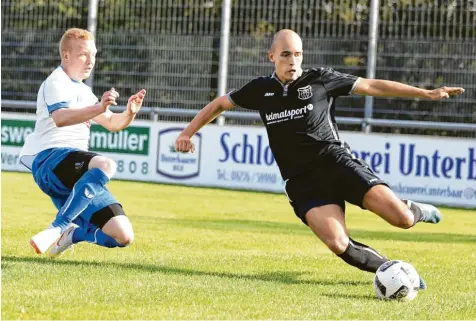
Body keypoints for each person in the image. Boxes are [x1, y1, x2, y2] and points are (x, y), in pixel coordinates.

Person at [175, 29, 465, 285]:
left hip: (336, 163)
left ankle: (416, 209)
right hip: (303, 183)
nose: (293, 60)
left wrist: (426, 93)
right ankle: (397, 273)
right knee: (339, 244)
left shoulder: (321, 80)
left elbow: (372, 86)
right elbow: (220, 103)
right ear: (271, 56)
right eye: (286, 54)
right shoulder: (259, 90)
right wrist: (187, 133)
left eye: (298, 54)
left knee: (401, 219)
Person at [19, 28, 146, 257]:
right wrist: (98, 107)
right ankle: (57, 226)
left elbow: (112, 123)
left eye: (94, 54)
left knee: (123, 235)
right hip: (51, 161)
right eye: (84, 55)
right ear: (66, 55)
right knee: (106, 165)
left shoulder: (84, 91)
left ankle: (72, 234)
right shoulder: (56, 81)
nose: (91, 61)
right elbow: (60, 118)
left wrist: (130, 112)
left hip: (76, 175)